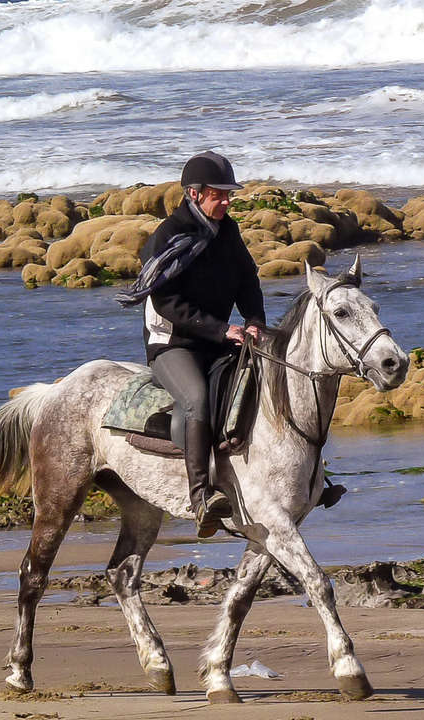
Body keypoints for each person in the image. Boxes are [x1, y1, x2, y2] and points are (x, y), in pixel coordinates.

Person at [124, 150, 267, 537]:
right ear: (194, 194)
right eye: (219, 195)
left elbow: (247, 280)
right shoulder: (167, 237)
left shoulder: (228, 230)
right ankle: (201, 496)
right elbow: (165, 303)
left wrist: (254, 321)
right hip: (173, 344)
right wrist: (222, 331)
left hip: (216, 336)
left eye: (228, 195)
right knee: (197, 399)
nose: (226, 202)